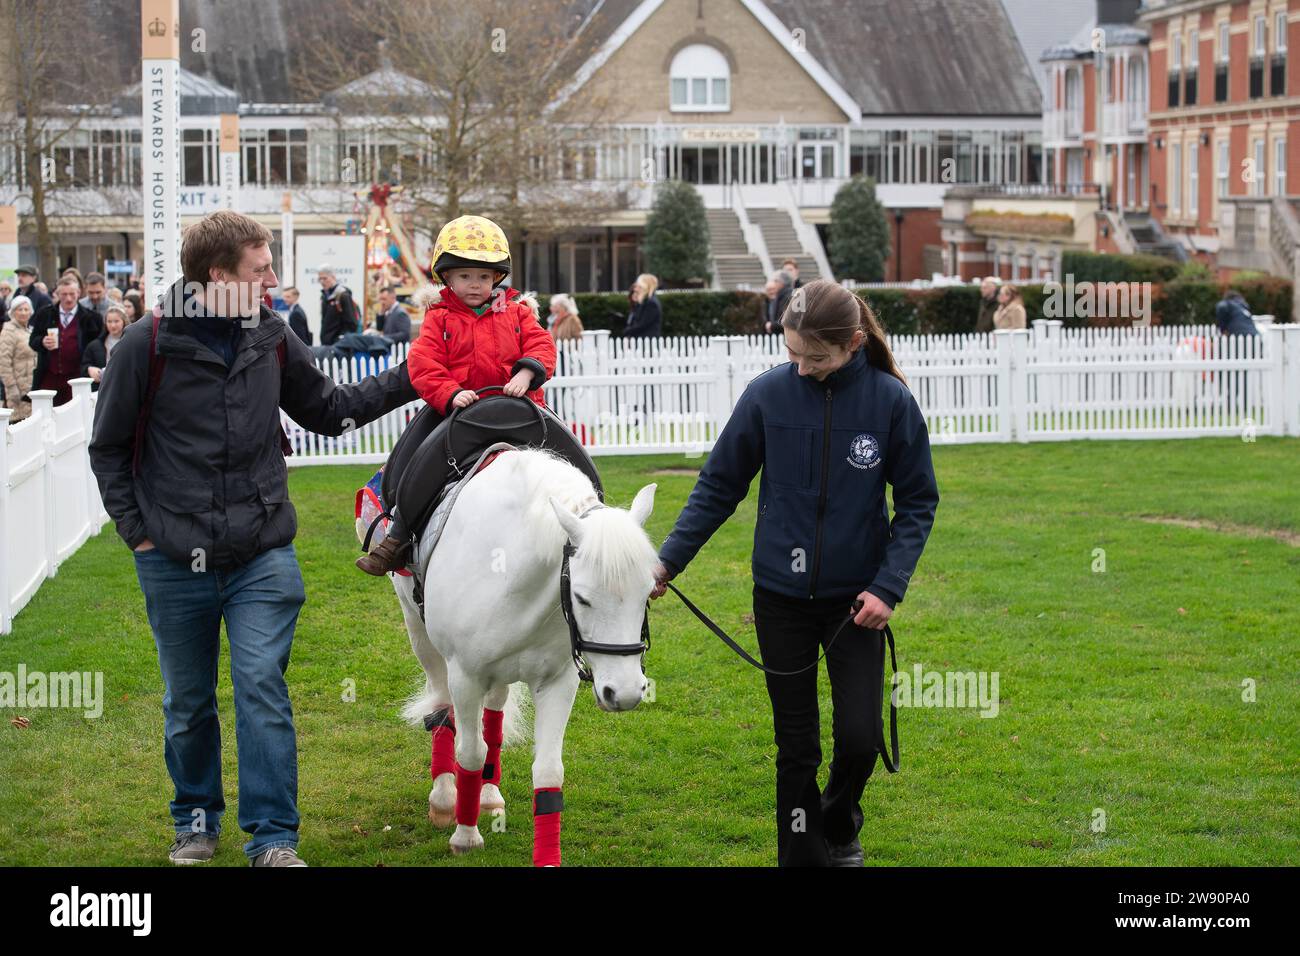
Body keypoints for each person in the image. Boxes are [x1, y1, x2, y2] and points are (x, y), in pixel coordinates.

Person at [88, 210, 419, 867]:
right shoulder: (144, 346)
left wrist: (418, 373)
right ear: (218, 276)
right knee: (187, 703)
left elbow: (327, 409)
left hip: (263, 550)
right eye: (261, 268)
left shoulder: (270, 337)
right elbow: (109, 449)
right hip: (172, 556)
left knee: (261, 686)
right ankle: (196, 823)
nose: (274, 278)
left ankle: (272, 838)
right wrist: (139, 535)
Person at [649, 279, 939, 867]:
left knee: (860, 739)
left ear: (854, 343)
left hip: (856, 603)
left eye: (818, 358)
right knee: (797, 746)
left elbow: (917, 502)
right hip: (780, 601)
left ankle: (838, 819)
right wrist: (667, 560)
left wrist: (887, 587)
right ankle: (802, 857)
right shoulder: (765, 397)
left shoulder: (889, 402)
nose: (803, 370)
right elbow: (718, 486)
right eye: (793, 355)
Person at [356, 214, 556, 575]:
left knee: (571, 459)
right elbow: (423, 362)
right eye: (465, 276)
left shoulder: (518, 312)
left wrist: (527, 372)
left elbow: (542, 344)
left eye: (483, 276)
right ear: (446, 277)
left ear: (496, 277)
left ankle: (591, 523)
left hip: (519, 407)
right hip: (457, 411)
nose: (475, 284)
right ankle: (397, 537)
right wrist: (450, 394)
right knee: (414, 464)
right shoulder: (439, 316)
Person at [29, 274, 103, 406]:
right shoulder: (45, 314)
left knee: (75, 418)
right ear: (57, 294)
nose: (68, 299)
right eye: (64, 294)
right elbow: (32, 341)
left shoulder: (91, 318)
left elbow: (97, 348)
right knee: (46, 417)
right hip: (49, 377)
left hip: (77, 378)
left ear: (79, 293)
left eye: (72, 294)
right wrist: (42, 341)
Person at [0, 295, 37, 422]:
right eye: (19, 309)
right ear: (13, 312)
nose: (23, 313)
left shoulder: (30, 330)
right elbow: (4, 363)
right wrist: (11, 388)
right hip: (18, 389)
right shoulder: (8, 331)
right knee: (19, 424)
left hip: (31, 386)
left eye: (26, 309)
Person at [80, 303, 127, 389]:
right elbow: (84, 365)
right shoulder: (95, 345)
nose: (113, 325)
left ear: (124, 321)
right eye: (109, 321)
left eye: (116, 321)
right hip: (102, 388)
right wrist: (89, 369)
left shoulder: (131, 343)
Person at [317, 266, 359, 346]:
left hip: (339, 346)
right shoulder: (324, 297)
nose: (322, 282)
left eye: (325, 278)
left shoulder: (343, 295)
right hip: (326, 344)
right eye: (320, 279)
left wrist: (340, 340)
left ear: (333, 277)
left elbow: (352, 323)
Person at [623, 273, 662, 338]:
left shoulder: (651, 303)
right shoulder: (644, 301)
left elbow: (642, 325)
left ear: (646, 287)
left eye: (639, 286)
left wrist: (626, 331)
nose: (635, 289)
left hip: (647, 342)